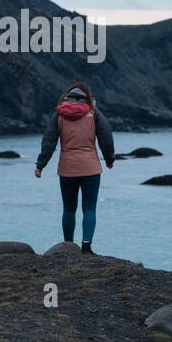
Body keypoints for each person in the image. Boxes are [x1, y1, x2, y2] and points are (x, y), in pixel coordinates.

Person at [34, 81, 114, 254]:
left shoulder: (59, 114)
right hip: (91, 168)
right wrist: (109, 159)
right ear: (87, 97)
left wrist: (41, 165)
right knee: (89, 209)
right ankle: (86, 247)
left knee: (69, 209)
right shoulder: (94, 113)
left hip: (67, 168)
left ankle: (68, 245)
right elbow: (106, 136)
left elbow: (49, 141)